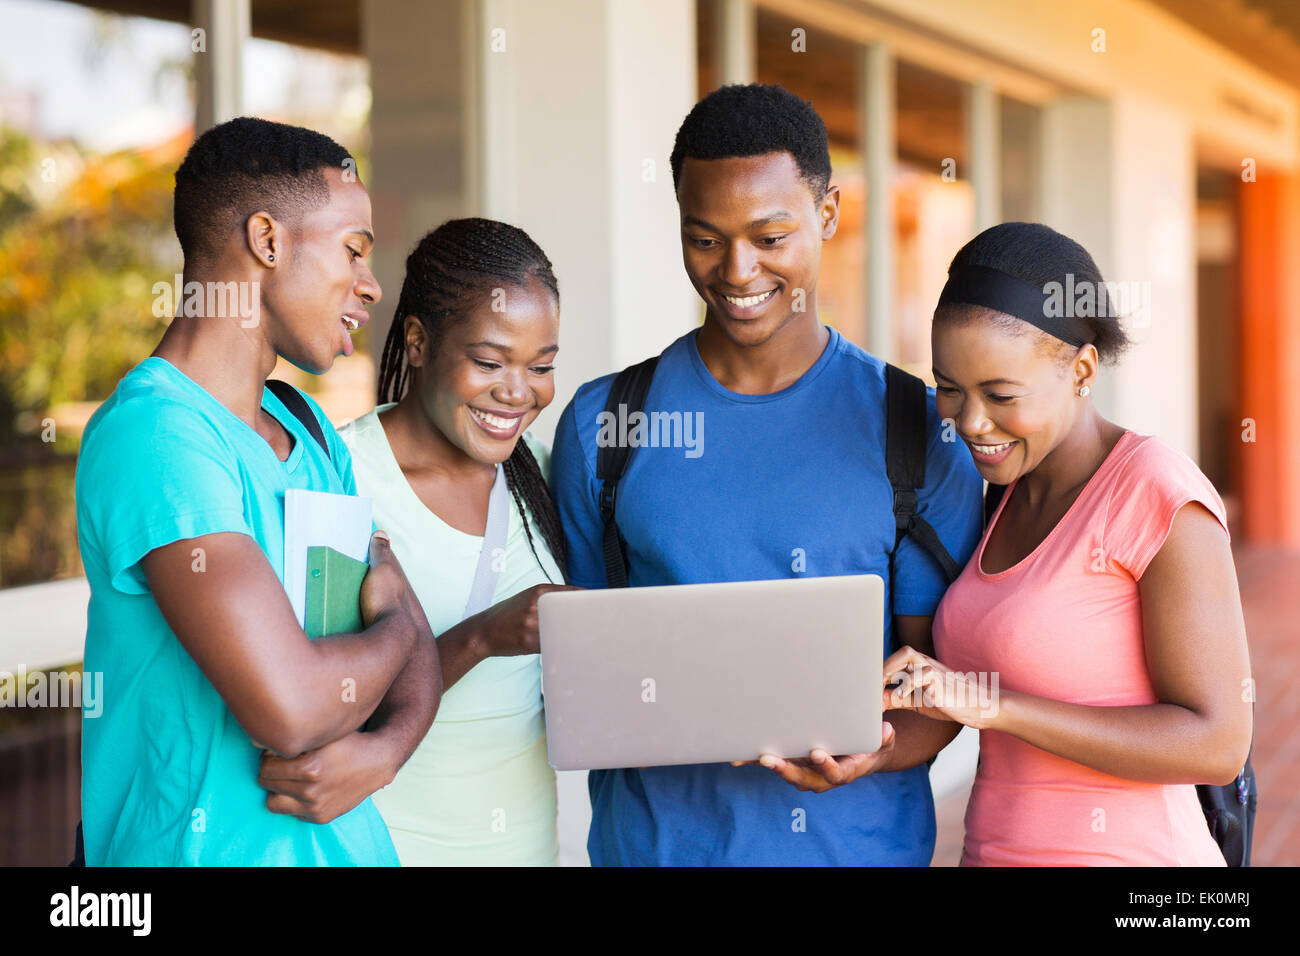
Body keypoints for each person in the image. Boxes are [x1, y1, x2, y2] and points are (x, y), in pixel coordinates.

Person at [549, 83, 984, 866]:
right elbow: (575, 658)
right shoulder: (602, 425)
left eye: (770, 235)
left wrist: (876, 753)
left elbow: (941, 685)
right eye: (705, 238)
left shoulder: (916, 431)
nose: (737, 269)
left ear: (828, 214)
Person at [74, 117, 440, 866]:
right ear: (268, 242)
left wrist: (389, 748)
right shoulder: (158, 438)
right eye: (354, 251)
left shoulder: (306, 429)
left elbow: (416, 664)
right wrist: (397, 626)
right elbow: (297, 708)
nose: (371, 284)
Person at [882, 221, 1254, 866]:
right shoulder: (1000, 496)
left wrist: (993, 705)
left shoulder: (1152, 489)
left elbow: (1216, 742)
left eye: (1001, 395)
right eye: (949, 388)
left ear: (1082, 369)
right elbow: (961, 703)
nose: (970, 422)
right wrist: (867, 749)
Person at [334, 218, 576, 865]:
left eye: (542, 366)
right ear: (416, 342)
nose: (517, 392)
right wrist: (483, 636)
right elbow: (324, 709)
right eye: (490, 362)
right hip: (386, 849)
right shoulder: (344, 479)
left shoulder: (545, 472)